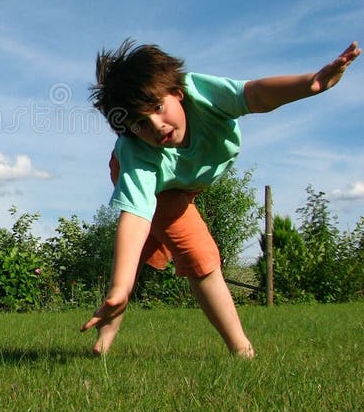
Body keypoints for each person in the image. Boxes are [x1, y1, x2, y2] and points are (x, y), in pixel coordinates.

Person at [81, 39, 360, 357]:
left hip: (186, 183)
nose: (156, 126)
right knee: (198, 255)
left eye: (158, 108)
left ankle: (104, 338)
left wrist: (311, 84)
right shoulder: (140, 151)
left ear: (178, 92)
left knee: (139, 256)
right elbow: (136, 215)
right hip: (157, 185)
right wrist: (120, 286)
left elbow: (254, 94)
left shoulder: (203, 95)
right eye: (140, 124)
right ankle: (242, 350)